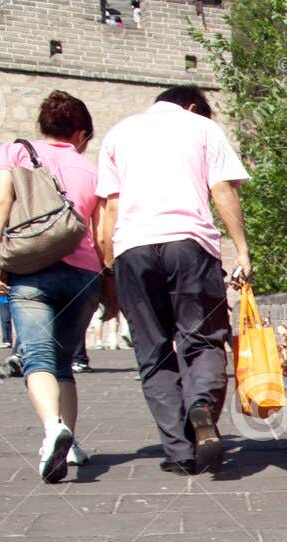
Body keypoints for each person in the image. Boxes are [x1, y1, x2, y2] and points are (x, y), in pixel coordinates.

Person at [96, 84, 251, 475]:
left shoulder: (117, 134)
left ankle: (180, 453)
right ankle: (201, 406)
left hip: (132, 249)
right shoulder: (201, 128)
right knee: (203, 340)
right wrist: (242, 250)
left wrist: (111, 268)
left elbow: (108, 213)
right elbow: (222, 190)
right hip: (189, 245)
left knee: (153, 353)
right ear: (194, 106)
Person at [0, 90, 111, 483]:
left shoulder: (15, 153)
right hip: (83, 275)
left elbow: (1, 202)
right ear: (79, 133)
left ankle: (53, 428)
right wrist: (108, 281)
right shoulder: (93, 170)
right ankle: (70, 444)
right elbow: (103, 232)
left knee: (37, 358)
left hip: (31, 269)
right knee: (65, 361)